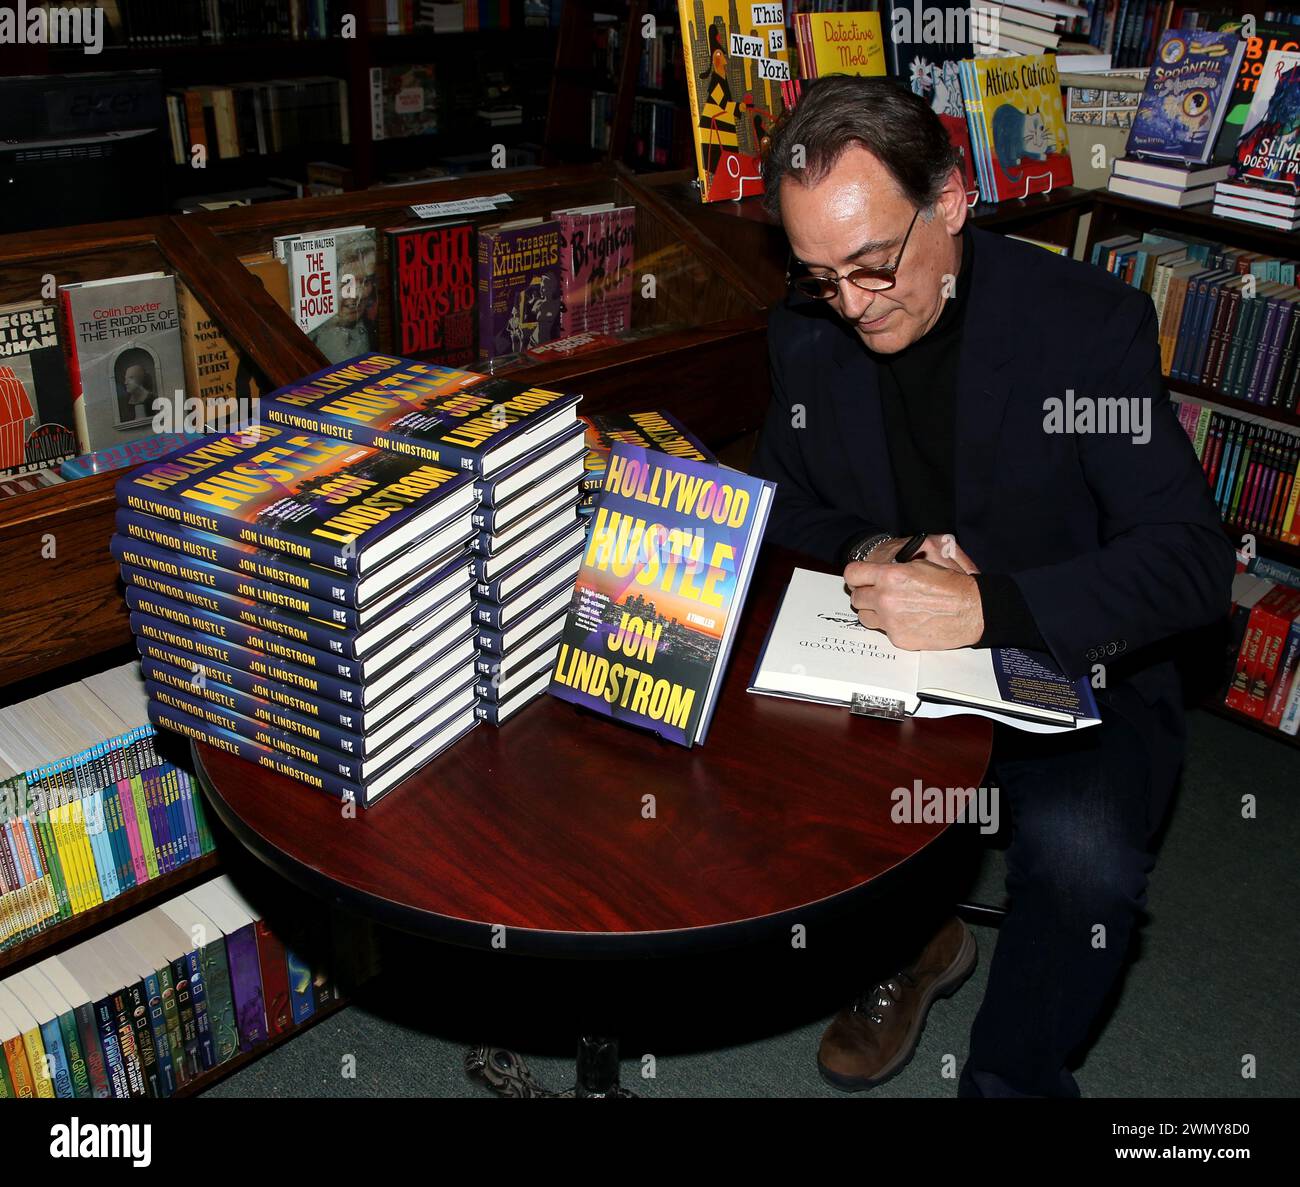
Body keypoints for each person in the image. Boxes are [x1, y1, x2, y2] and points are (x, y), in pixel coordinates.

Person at [752, 76, 1235, 1098]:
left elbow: (1191, 559)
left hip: (1064, 659)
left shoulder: (1082, 327)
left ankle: (1011, 1078)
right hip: (886, 652)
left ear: (953, 200)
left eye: (873, 266)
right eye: (819, 275)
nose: (849, 304)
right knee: (749, 765)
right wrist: (889, 548)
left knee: (1083, 863)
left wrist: (987, 606)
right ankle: (914, 946)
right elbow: (784, 506)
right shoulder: (805, 330)